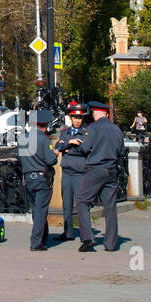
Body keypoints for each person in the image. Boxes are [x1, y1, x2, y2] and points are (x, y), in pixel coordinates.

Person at [70, 100, 125, 252]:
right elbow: (121, 151)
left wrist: (76, 144)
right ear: (106, 114)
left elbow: (86, 148)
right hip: (112, 170)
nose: (93, 115)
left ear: (97, 113)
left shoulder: (93, 128)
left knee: (82, 201)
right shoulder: (116, 129)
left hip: (96, 169)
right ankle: (111, 244)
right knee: (110, 207)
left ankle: (88, 238)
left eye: (93, 112)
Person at [18, 110, 58, 251]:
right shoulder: (43, 139)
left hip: (28, 178)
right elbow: (51, 160)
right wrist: (56, 152)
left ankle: (43, 237)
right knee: (41, 210)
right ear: (46, 125)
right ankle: (36, 242)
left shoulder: (23, 138)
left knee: (36, 209)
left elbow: (21, 158)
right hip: (42, 178)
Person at [55, 101, 88, 241]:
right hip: (67, 172)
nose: (77, 120)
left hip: (79, 172)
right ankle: (68, 232)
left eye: (79, 118)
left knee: (80, 204)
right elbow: (58, 146)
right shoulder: (64, 132)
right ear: (71, 117)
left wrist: (69, 148)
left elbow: (85, 150)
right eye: (75, 117)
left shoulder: (86, 132)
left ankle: (85, 234)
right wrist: (69, 144)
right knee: (66, 203)